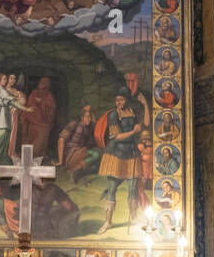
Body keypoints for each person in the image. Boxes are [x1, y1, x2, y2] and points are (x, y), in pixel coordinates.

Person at [93, 87, 149, 234]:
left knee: (132, 188)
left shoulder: (133, 112)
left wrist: (145, 105)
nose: (118, 102)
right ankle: (108, 221)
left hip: (131, 152)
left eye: (121, 99)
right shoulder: (113, 115)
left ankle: (134, 217)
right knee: (112, 187)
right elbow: (117, 136)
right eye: (117, 100)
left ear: (127, 100)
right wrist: (134, 132)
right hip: (116, 153)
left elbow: (146, 124)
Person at [57, 105, 97, 181]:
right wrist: (60, 160)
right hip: (71, 153)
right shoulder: (73, 124)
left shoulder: (89, 127)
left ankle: (74, 170)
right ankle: (71, 170)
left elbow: (95, 124)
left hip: (80, 151)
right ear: (82, 117)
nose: (89, 119)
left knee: (97, 155)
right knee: (95, 154)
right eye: (87, 117)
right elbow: (61, 139)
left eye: (90, 117)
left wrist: (91, 110)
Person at [21, 77, 56, 153]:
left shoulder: (49, 96)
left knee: (40, 142)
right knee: (30, 139)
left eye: (43, 84)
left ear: (47, 85)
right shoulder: (34, 93)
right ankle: (28, 156)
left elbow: (51, 109)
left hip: (43, 123)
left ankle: (37, 156)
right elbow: (30, 104)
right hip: (33, 121)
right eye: (40, 83)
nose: (40, 85)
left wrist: (41, 102)